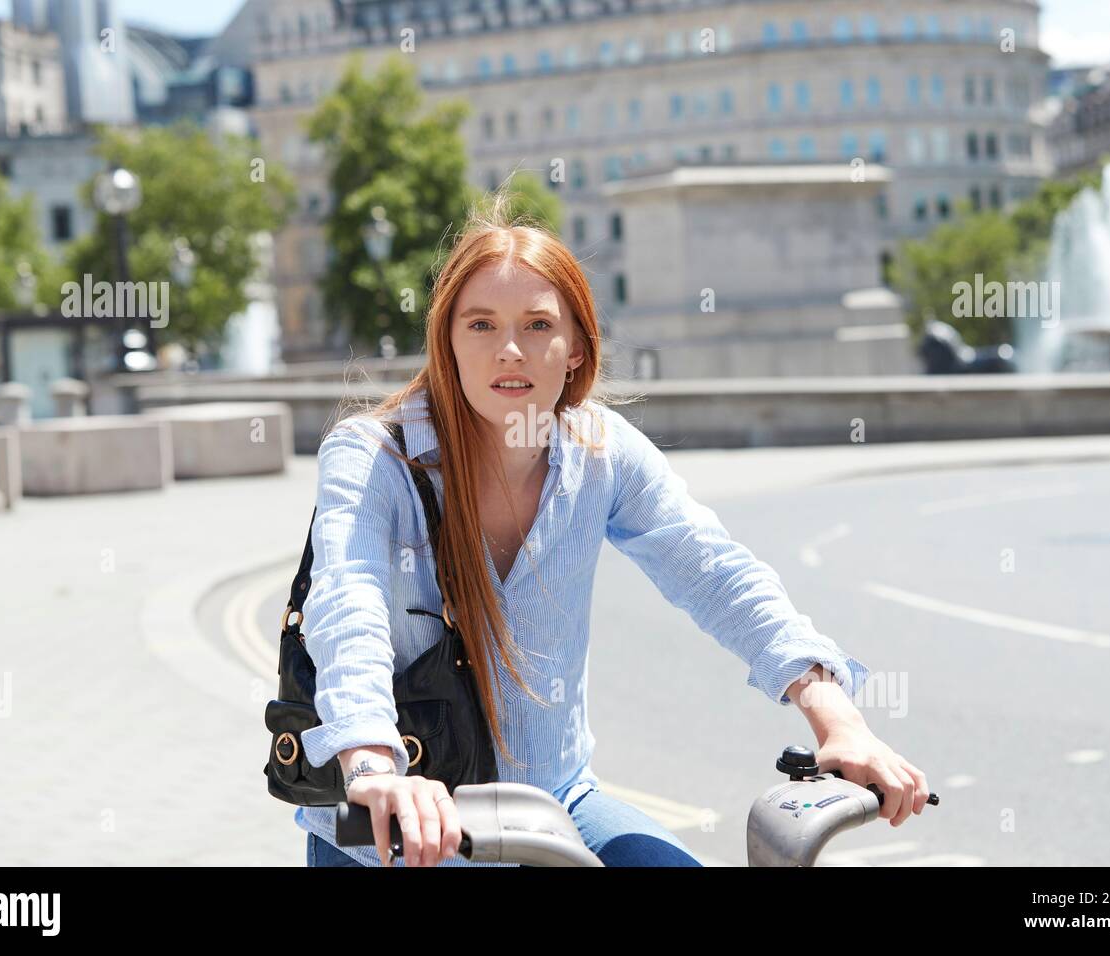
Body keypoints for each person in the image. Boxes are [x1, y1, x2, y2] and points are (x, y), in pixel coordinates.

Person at [296, 195, 930, 867]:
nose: (510, 349)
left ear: (575, 349)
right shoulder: (374, 456)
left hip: (553, 803)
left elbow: (713, 572)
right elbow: (347, 604)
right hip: (400, 826)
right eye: (480, 324)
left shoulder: (601, 450)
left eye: (538, 325)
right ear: (448, 342)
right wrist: (370, 765)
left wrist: (834, 713)